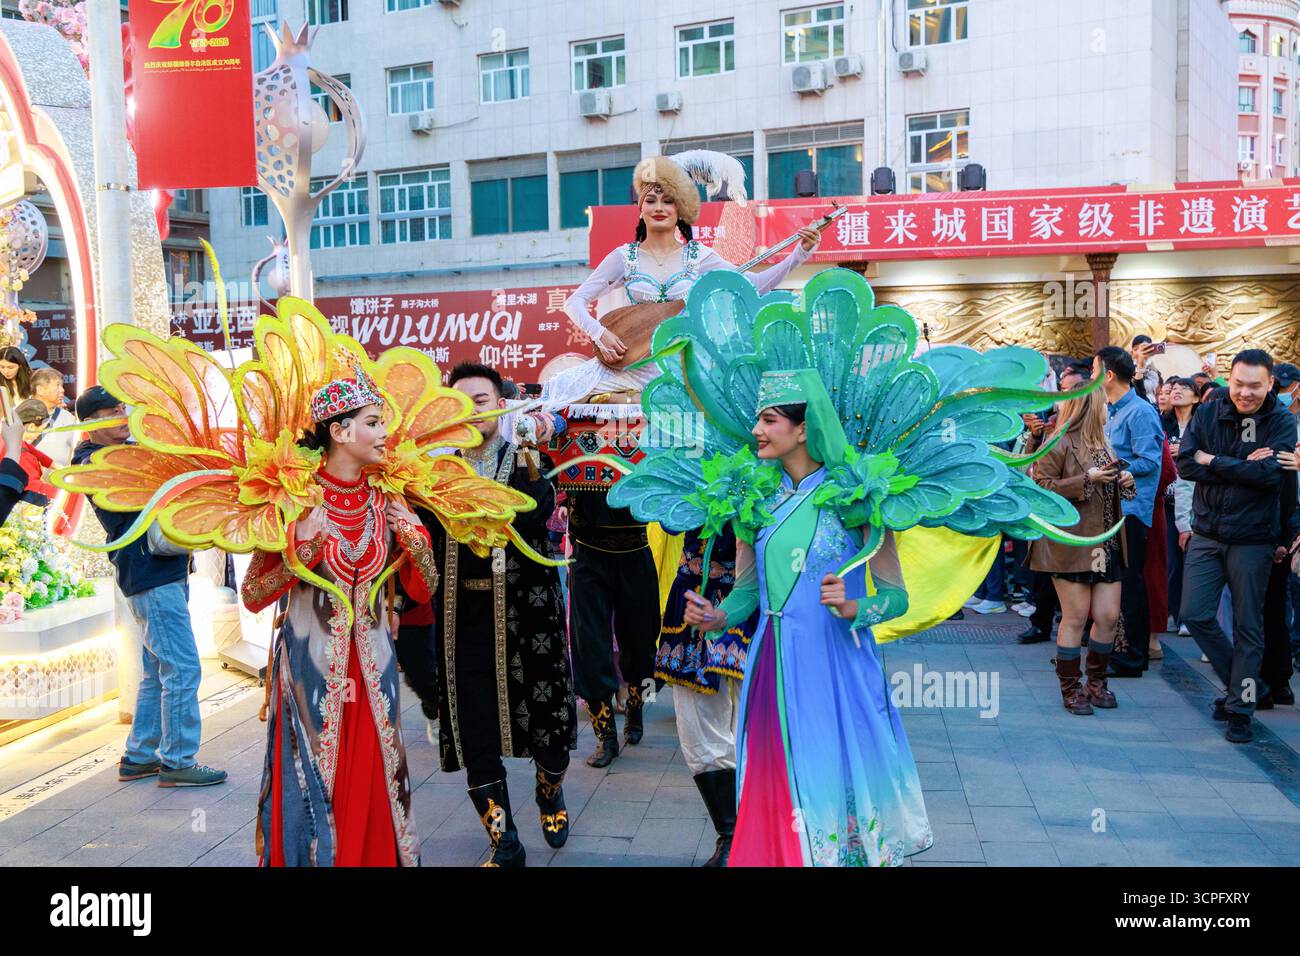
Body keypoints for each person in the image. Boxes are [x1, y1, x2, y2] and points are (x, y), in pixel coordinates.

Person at [559, 155, 823, 768]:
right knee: (596, 509)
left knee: (711, 522)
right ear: (640, 207)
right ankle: (611, 700)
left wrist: (797, 257)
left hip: (685, 401)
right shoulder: (620, 262)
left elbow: (748, 288)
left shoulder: (702, 262)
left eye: (666, 198)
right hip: (625, 394)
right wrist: (601, 338)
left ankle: (715, 661)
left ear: (682, 208)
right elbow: (578, 303)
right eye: (647, 197)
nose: (656, 206)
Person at [683, 371, 932, 866]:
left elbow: (897, 597)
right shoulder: (751, 499)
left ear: (804, 428)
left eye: (769, 419)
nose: (756, 429)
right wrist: (716, 617)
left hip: (837, 661)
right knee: (775, 773)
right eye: (758, 418)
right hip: (772, 662)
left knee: (830, 770)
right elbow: (748, 593)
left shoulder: (856, 496)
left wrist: (855, 606)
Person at [241, 370, 439, 866]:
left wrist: (416, 541)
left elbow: (424, 589)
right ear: (339, 431)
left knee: (377, 769)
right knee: (314, 772)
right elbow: (253, 593)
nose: (384, 434)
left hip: (374, 666)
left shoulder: (388, 498)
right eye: (373, 423)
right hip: (311, 667)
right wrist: (303, 547)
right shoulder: (292, 497)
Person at [416, 362, 577, 867]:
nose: (470, 410)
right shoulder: (431, 476)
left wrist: (471, 505)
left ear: (500, 404)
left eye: (480, 400)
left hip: (529, 618)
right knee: (474, 728)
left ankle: (550, 790)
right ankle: (503, 841)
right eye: (459, 401)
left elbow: (532, 507)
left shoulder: (528, 463)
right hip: (461, 619)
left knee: (549, 727)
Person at [72, 385, 227, 789]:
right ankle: (177, 761)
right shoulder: (94, 462)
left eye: (124, 407)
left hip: (164, 568)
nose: (124, 416)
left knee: (158, 670)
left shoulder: (127, 450)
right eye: (113, 411)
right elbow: (139, 498)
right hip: (148, 572)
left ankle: (141, 755)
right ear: (90, 424)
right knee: (182, 667)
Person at [1176, 350, 1299, 743]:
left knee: (1249, 627)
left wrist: (1213, 460)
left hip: (1254, 539)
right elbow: (1185, 464)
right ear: (1230, 379)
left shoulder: (1282, 421)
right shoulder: (1209, 412)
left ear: (1270, 385)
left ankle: (1241, 707)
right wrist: (1242, 462)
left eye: (1255, 386)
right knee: (1194, 614)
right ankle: (1244, 686)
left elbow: (1271, 476)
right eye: (1239, 384)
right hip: (1208, 533)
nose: (1245, 393)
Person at [1029, 380, 1135, 713]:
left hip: (1108, 542)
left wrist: (1124, 482)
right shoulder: (1058, 442)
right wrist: (1086, 479)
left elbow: (1112, 490)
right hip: (1071, 543)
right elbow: (1040, 487)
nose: (1108, 410)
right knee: (1074, 618)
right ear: (1091, 408)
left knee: (1108, 616)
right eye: (1104, 404)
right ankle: (1071, 689)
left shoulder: (1105, 444)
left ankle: (1096, 683)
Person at [655, 523, 758, 866]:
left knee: (760, 725)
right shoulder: (688, 470)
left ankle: (760, 830)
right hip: (695, 598)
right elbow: (670, 519)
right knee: (697, 725)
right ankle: (730, 835)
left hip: (758, 599)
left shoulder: (780, 471)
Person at [1095, 346, 1165, 678]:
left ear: (1108, 375)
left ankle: (1134, 656)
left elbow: (1150, 462)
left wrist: (1113, 469)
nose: (1091, 378)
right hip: (1109, 509)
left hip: (1131, 510)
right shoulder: (1109, 410)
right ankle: (1118, 649)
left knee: (1131, 583)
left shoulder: (1140, 412)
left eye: (1095, 371)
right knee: (1115, 582)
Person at [1260, 363, 1300, 708]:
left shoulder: (1284, 425)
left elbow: (1288, 486)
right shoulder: (1267, 422)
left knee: (1275, 605)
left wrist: (1286, 535)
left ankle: (1278, 680)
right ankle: (1272, 679)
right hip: (1264, 525)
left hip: (1284, 524)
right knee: (1266, 606)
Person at [1162, 377, 1200, 632]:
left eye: (1183, 388)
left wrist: (1186, 452)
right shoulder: (1162, 423)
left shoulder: (1202, 425)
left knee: (1193, 560)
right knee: (1173, 561)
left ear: (1196, 397)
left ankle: (1189, 615)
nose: (1176, 391)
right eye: (1173, 388)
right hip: (1168, 500)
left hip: (1196, 500)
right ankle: (1177, 614)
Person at [29, 367, 78, 469]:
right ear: (40, 390)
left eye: (62, 386)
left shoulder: (68, 418)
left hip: (58, 481)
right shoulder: (17, 415)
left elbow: (74, 449)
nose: (62, 390)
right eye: (57, 385)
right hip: (27, 481)